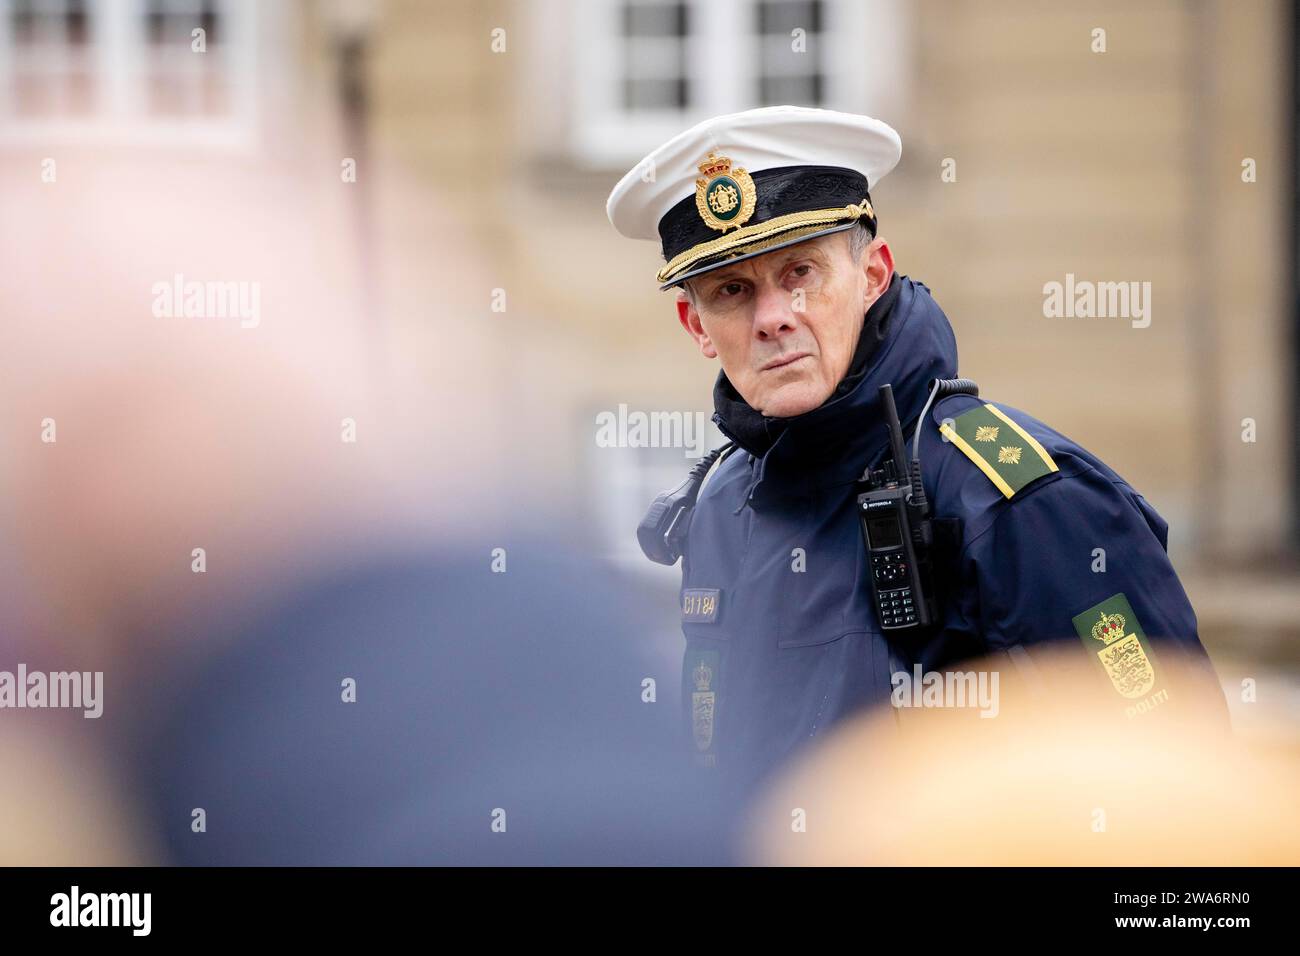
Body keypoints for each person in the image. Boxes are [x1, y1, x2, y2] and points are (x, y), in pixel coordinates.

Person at [606, 105, 1227, 795]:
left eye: (801, 273)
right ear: (697, 324)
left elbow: (1177, 792)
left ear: (872, 277)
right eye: (732, 290)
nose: (773, 317)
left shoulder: (1015, 498)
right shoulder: (721, 506)